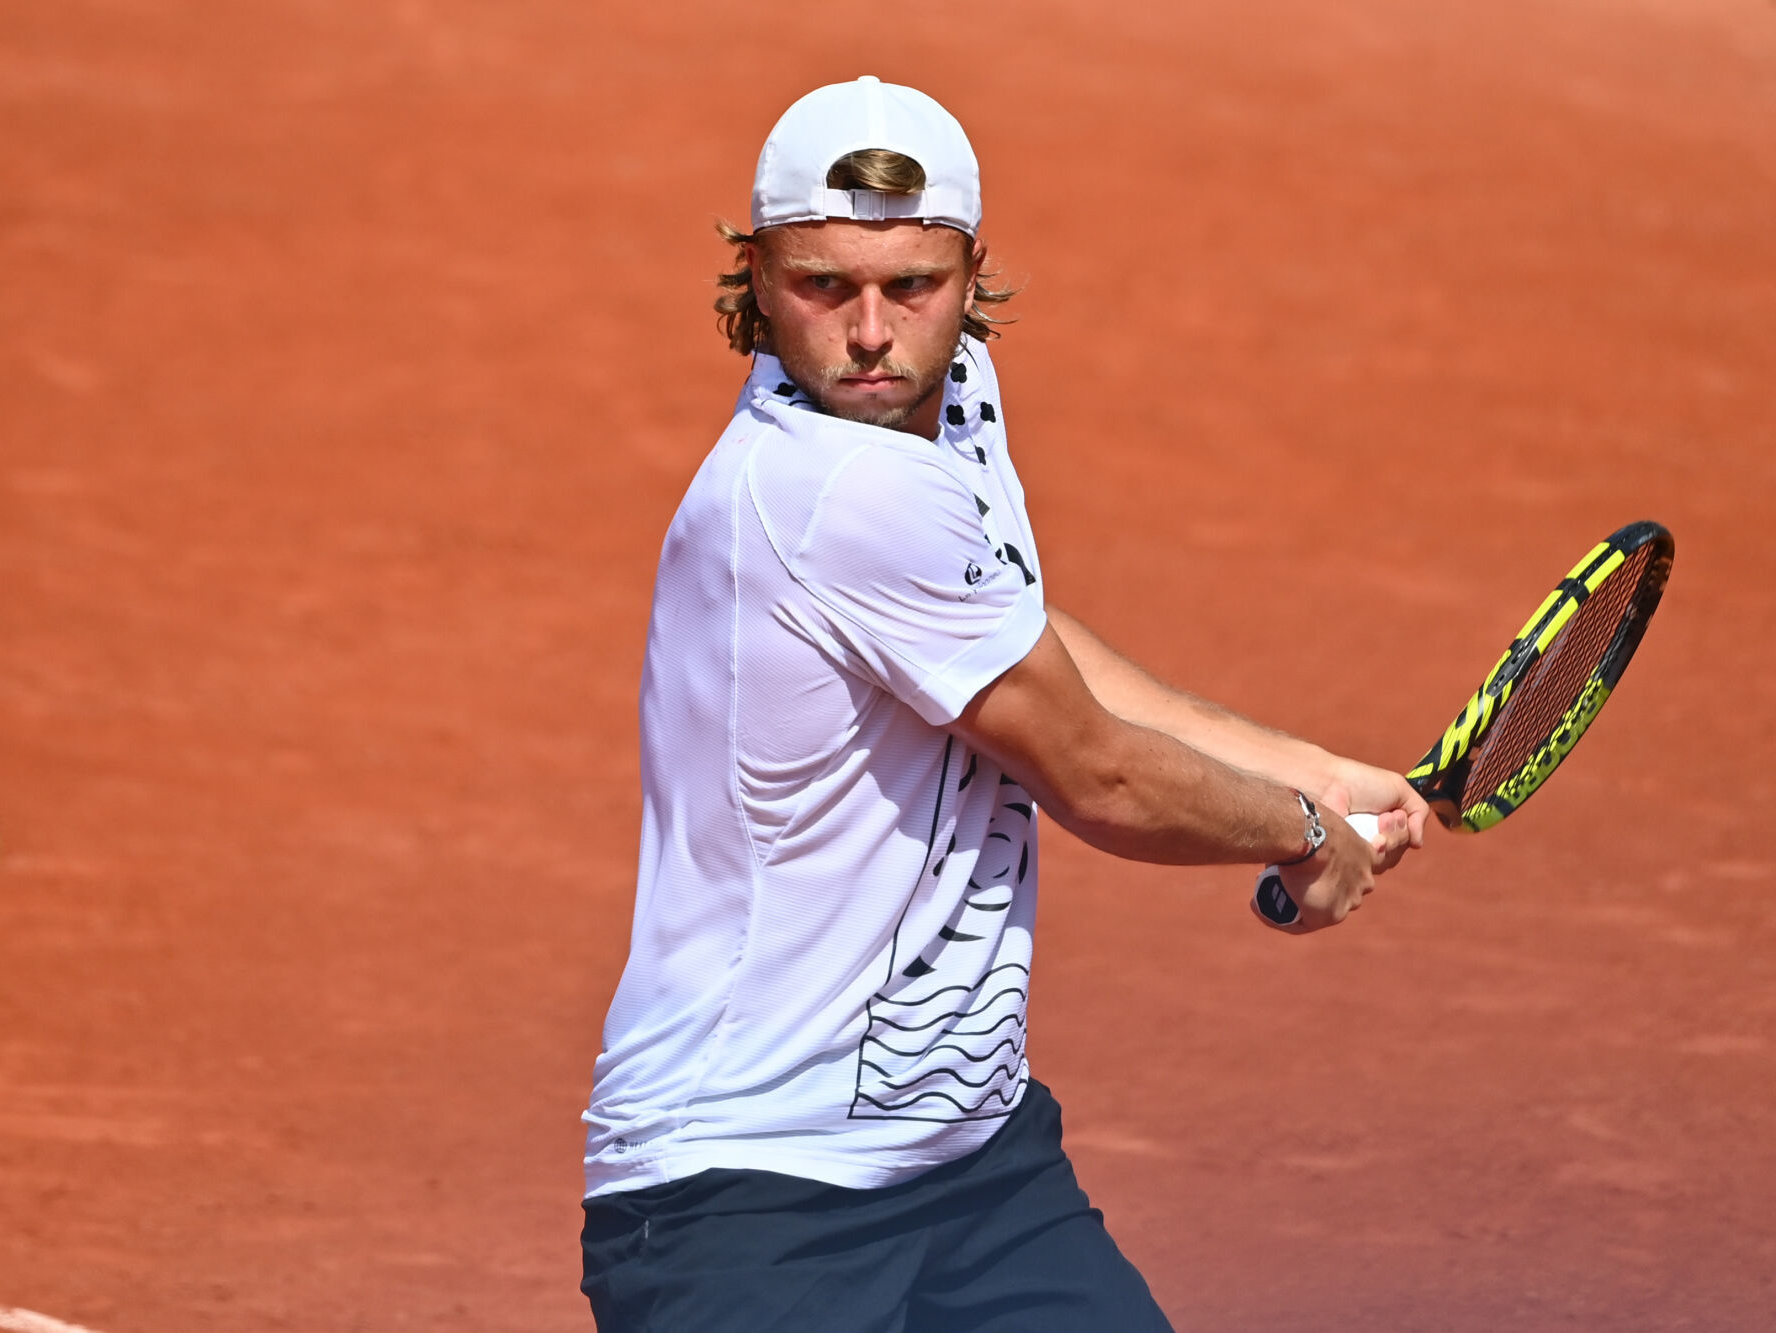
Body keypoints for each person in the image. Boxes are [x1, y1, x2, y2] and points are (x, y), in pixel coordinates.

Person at [579, 76, 1427, 1332]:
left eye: (912, 287)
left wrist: (1308, 765)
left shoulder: (950, 405)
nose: (871, 334)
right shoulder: (833, 487)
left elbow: (1015, 637)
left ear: (972, 275)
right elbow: (1099, 774)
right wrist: (1303, 833)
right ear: (754, 277)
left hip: (972, 1166)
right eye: (822, 287)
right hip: (751, 1192)